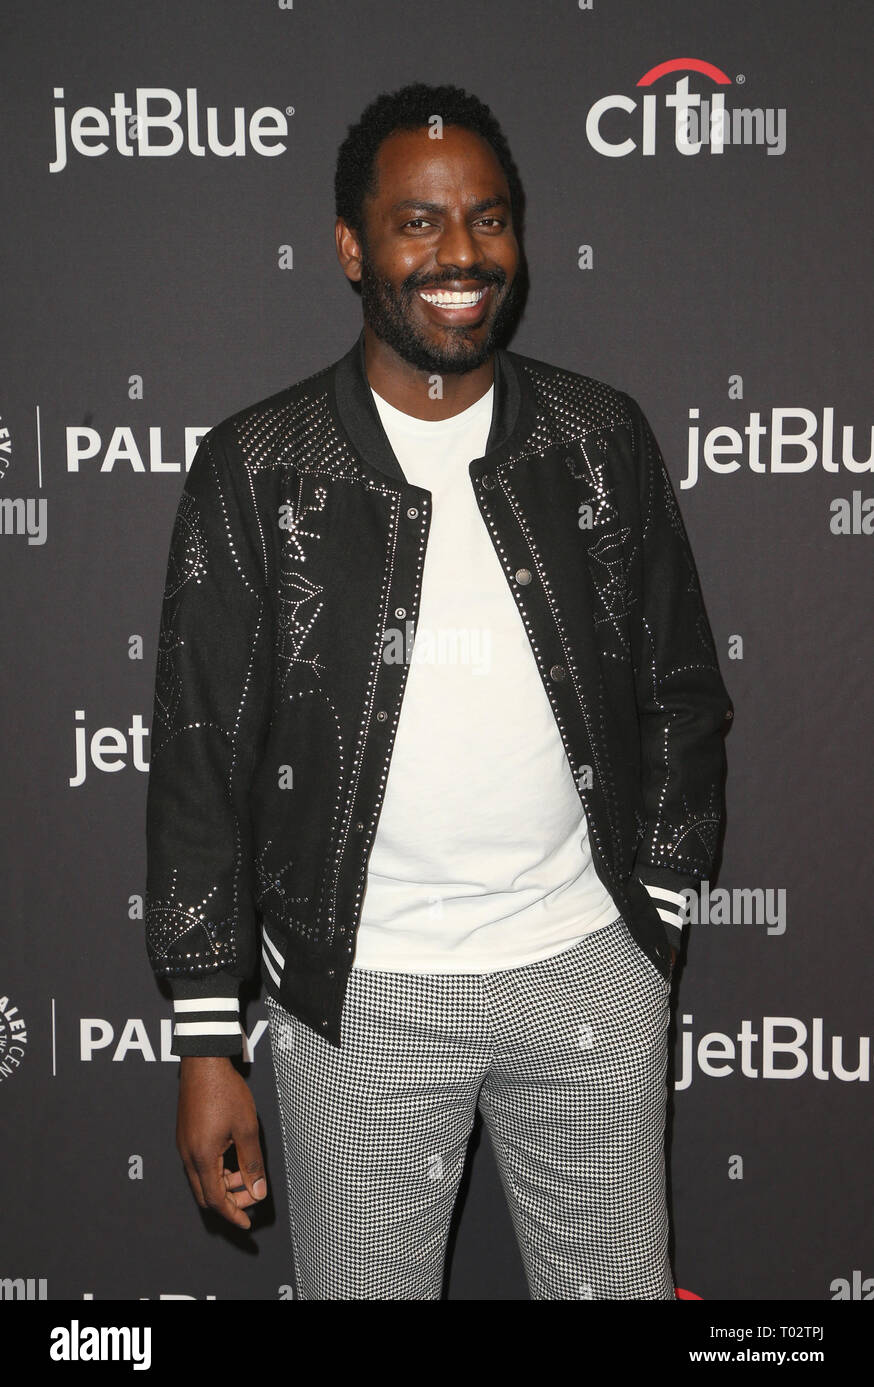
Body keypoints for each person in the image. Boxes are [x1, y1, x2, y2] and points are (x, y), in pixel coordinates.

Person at [145, 81, 732, 1300]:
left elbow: (681, 689)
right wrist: (208, 1036)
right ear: (354, 248)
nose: (460, 254)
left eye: (489, 218)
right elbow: (202, 754)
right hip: (357, 995)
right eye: (418, 224)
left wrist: (653, 918)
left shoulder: (595, 438)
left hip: (584, 966)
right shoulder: (261, 468)